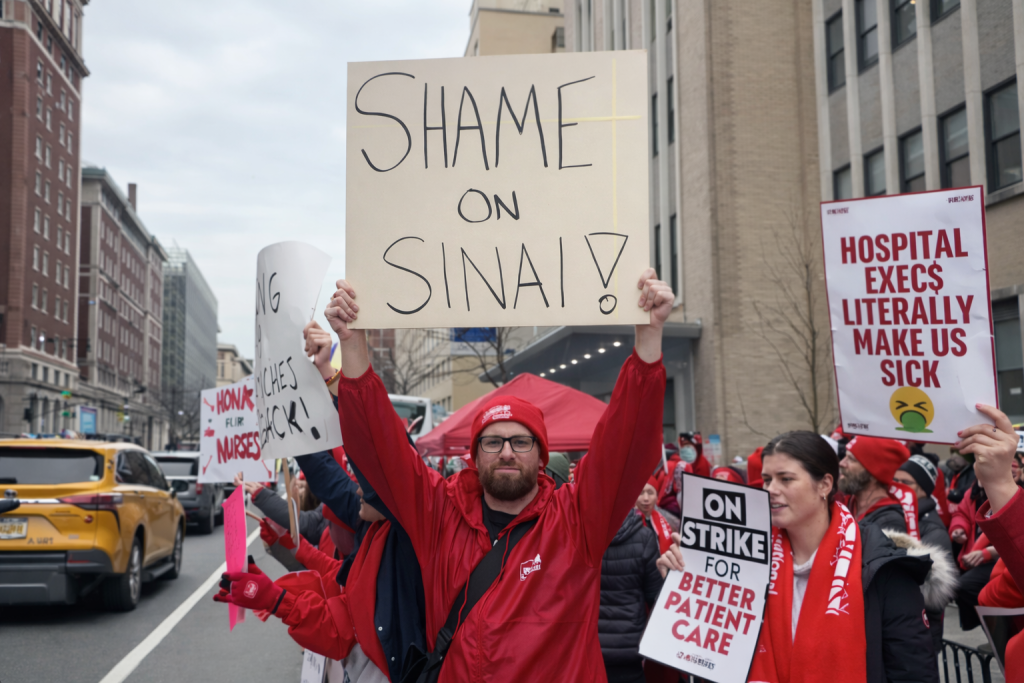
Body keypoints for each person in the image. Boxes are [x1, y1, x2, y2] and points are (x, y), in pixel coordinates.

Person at [324, 269, 673, 682]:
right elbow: (379, 447)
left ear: (542, 457)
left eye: (521, 442)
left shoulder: (578, 521)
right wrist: (353, 345)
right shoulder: (438, 514)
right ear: (474, 457)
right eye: (492, 442)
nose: (506, 452)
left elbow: (626, 446)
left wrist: (648, 340)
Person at [214, 322, 427, 683]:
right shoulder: (370, 528)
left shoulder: (413, 537)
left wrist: (333, 371)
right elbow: (341, 621)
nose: (354, 486)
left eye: (365, 479)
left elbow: (377, 449)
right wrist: (275, 598)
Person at [658, 431, 937, 682]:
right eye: (767, 479)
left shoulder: (880, 566)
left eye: (786, 479)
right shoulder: (742, 561)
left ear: (825, 485)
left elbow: (913, 672)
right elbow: (710, 662)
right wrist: (689, 585)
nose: (771, 490)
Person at [893, 455, 958, 652]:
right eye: (895, 481)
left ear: (923, 488)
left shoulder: (932, 529)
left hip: (921, 633)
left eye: (905, 482)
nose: (898, 487)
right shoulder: (897, 516)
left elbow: (936, 592)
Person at [598, 509, 664, 683]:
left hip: (590, 649)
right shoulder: (644, 537)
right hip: (629, 648)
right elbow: (656, 599)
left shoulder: (580, 534)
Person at [949, 480, 998, 630]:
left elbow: (1014, 536)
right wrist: (959, 528)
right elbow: (961, 513)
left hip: (1001, 560)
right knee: (961, 586)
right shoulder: (972, 492)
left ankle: (999, 635)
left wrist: (987, 553)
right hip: (975, 555)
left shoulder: (1008, 493)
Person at [838, 436, 912, 533]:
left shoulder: (890, 522)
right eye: (845, 456)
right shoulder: (847, 503)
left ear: (873, 473)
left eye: (851, 459)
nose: (842, 463)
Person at [635, 476, 674, 554]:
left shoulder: (668, 520)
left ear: (657, 497)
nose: (646, 498)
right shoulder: (627, 523)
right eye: (641, 493)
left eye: (650, 493)